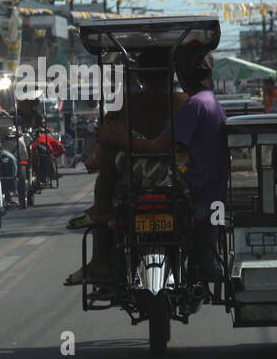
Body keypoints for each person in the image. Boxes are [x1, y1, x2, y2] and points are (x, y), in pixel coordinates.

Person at [67, 47, 228, 286]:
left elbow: (152, 147)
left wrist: (105, 145)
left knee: (112, 187)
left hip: (165, 177)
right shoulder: (192, 102)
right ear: (170, 75)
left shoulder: (180, 104)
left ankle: (101, 241)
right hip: (187, 181)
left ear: (140, 76)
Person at [66, 50, 187, 230]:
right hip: (177, 173)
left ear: (139, 76)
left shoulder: (126, 102)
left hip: (138, 173)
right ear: (170, 74)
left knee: (109, 212)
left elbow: (106, 133)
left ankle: (102, 212)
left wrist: (98, 156)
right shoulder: (185, 101)